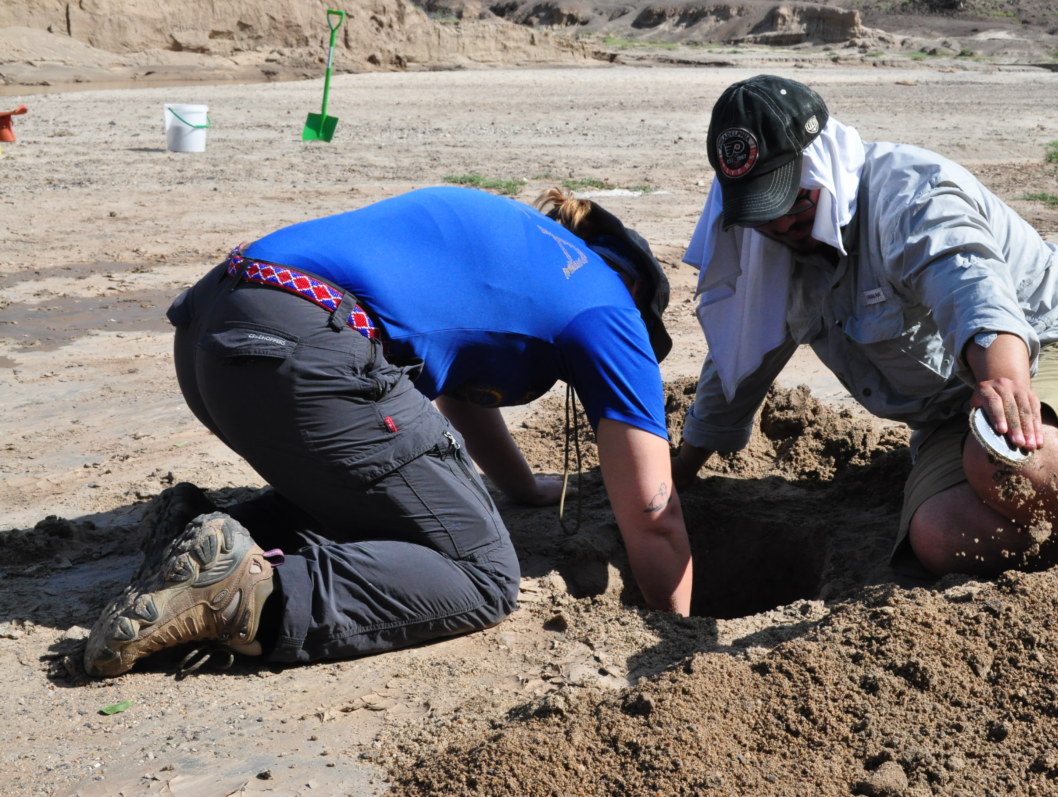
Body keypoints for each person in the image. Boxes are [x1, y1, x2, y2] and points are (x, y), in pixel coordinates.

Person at [85, 186, 693, 678]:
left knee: (399, 508)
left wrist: (523, 488)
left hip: (213, 333)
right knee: (481, 572)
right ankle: (250, 600)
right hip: (300, 345)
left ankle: (206, 529)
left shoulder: (522, 248)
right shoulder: (610, 306)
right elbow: (653, 515)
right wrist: (676, 640)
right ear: (635, 289)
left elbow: (457, 400)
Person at [673, 74, 1058, 580]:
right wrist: (681, 474)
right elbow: (738, 357)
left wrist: (1003, 378)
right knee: (941, 536)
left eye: (796, 201)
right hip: (958, 416)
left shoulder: (909, 192)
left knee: (1001, 456)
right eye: (765, 212)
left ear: (822, 165)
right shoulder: (769, 239)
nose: (783, 223)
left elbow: (972, 286)